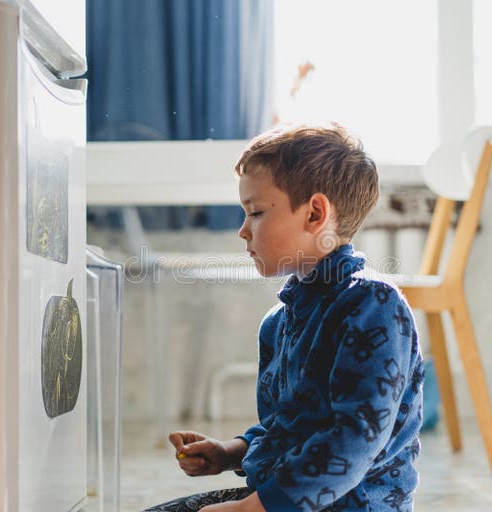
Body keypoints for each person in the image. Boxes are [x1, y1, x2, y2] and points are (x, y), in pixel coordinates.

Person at [146, 125, 424, 512]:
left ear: (314, 213)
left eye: (256, 212)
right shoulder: (279, 322)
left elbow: (354, 437)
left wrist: (253, 509)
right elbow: (289, 427)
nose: (243, 231)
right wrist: (231, 452)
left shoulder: (373, 304)